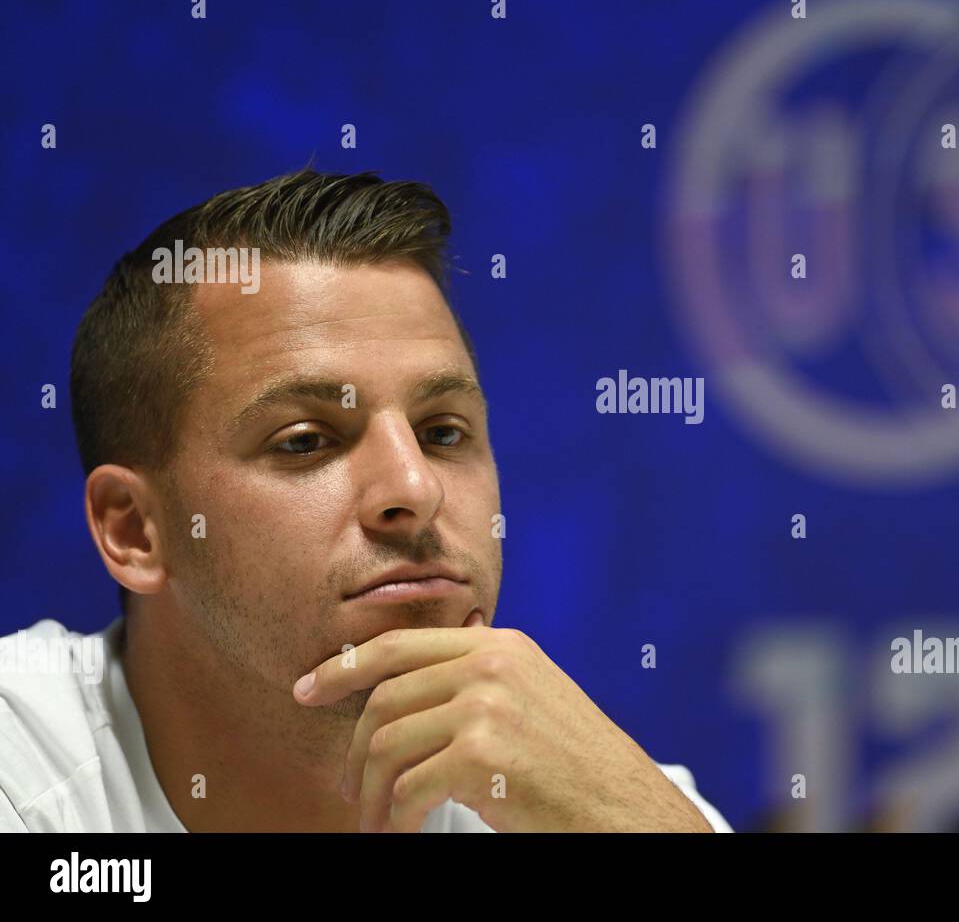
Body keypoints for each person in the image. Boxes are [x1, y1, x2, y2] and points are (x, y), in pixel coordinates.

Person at [0, 169, 731, 833]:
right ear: (135, 531)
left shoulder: (589, 806)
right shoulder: (20, 771)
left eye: (443, 431)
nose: (415, 489)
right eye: (305, 441)